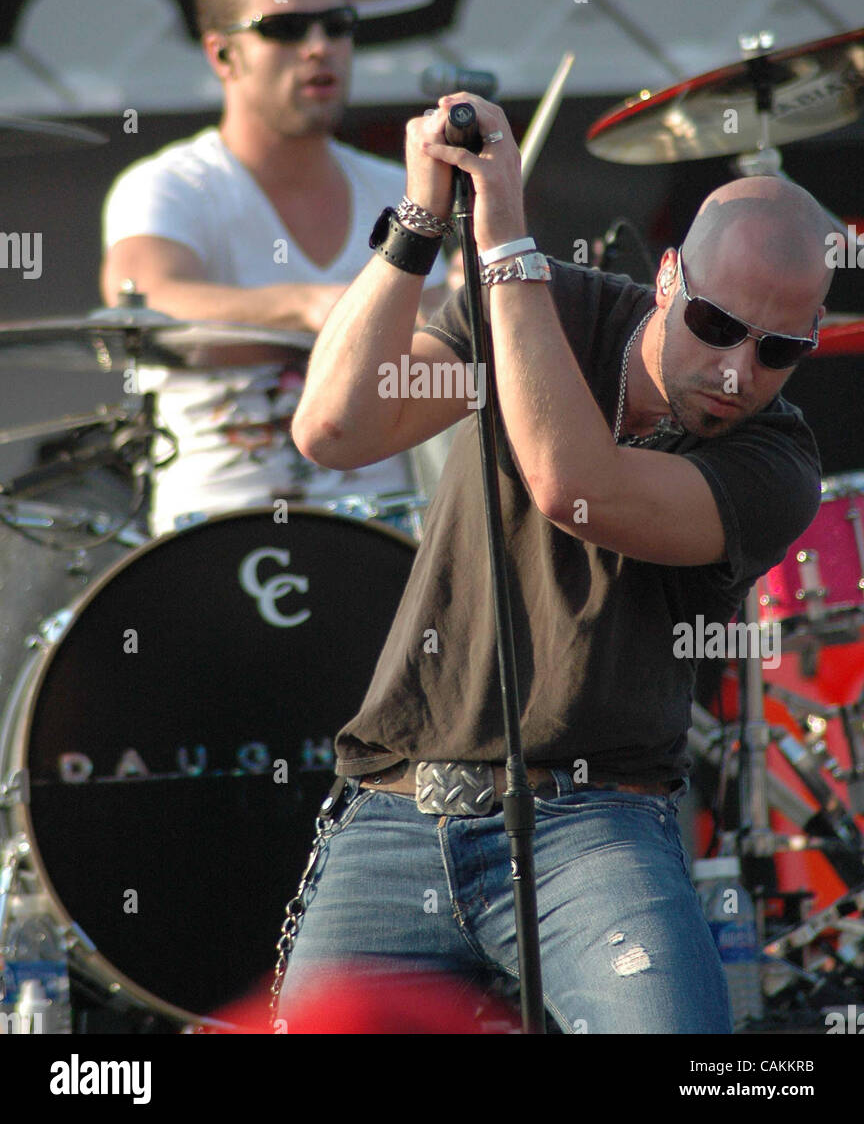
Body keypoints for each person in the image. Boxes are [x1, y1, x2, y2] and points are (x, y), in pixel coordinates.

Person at [273, 92, 836, 1034]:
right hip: (398, 802)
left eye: (780, 348)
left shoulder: (777, 464)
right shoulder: (552, 303)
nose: (739, 369)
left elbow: (572, 486)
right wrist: (419, 222)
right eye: (716, 323)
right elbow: (334, 427)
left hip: (593, 829)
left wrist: (504, 246)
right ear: (667, 279)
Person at [100, 0, 448, 535]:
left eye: (336, 25)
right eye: (286, 28)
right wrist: (310, 307)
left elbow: (448, 333)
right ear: (223, 54)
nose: (319, 46)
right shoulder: (170, 185)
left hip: (385, 538)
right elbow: (145, 303)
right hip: (209, 540)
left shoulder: (400, 187)